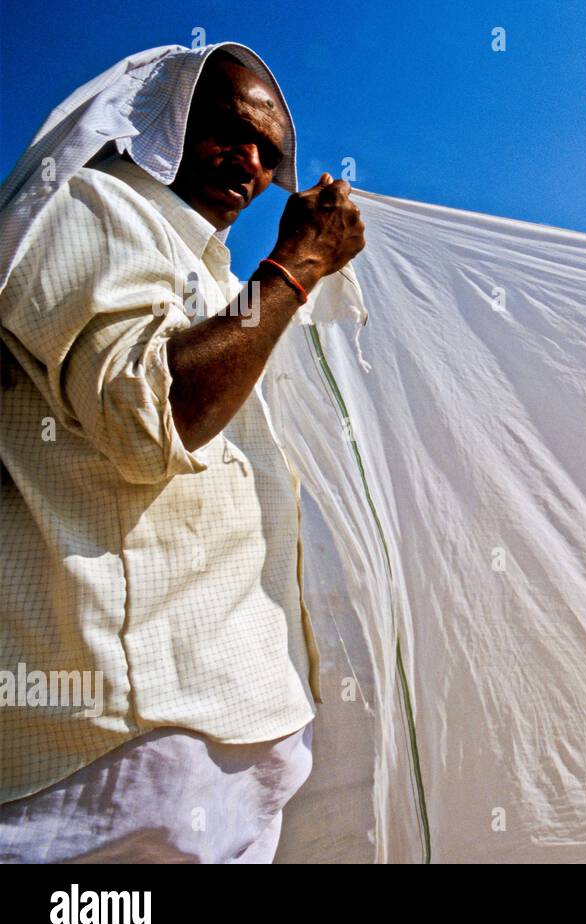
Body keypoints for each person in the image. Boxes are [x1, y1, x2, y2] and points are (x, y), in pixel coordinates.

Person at [0, 43, 365, 862]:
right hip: (114, 755)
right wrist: (300, 264)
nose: (250, 163)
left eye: (269, 154)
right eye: (229, 133)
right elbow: (152, 414)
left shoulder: (221, 286)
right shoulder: (95, 210)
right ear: (162, 124)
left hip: (239, 733)